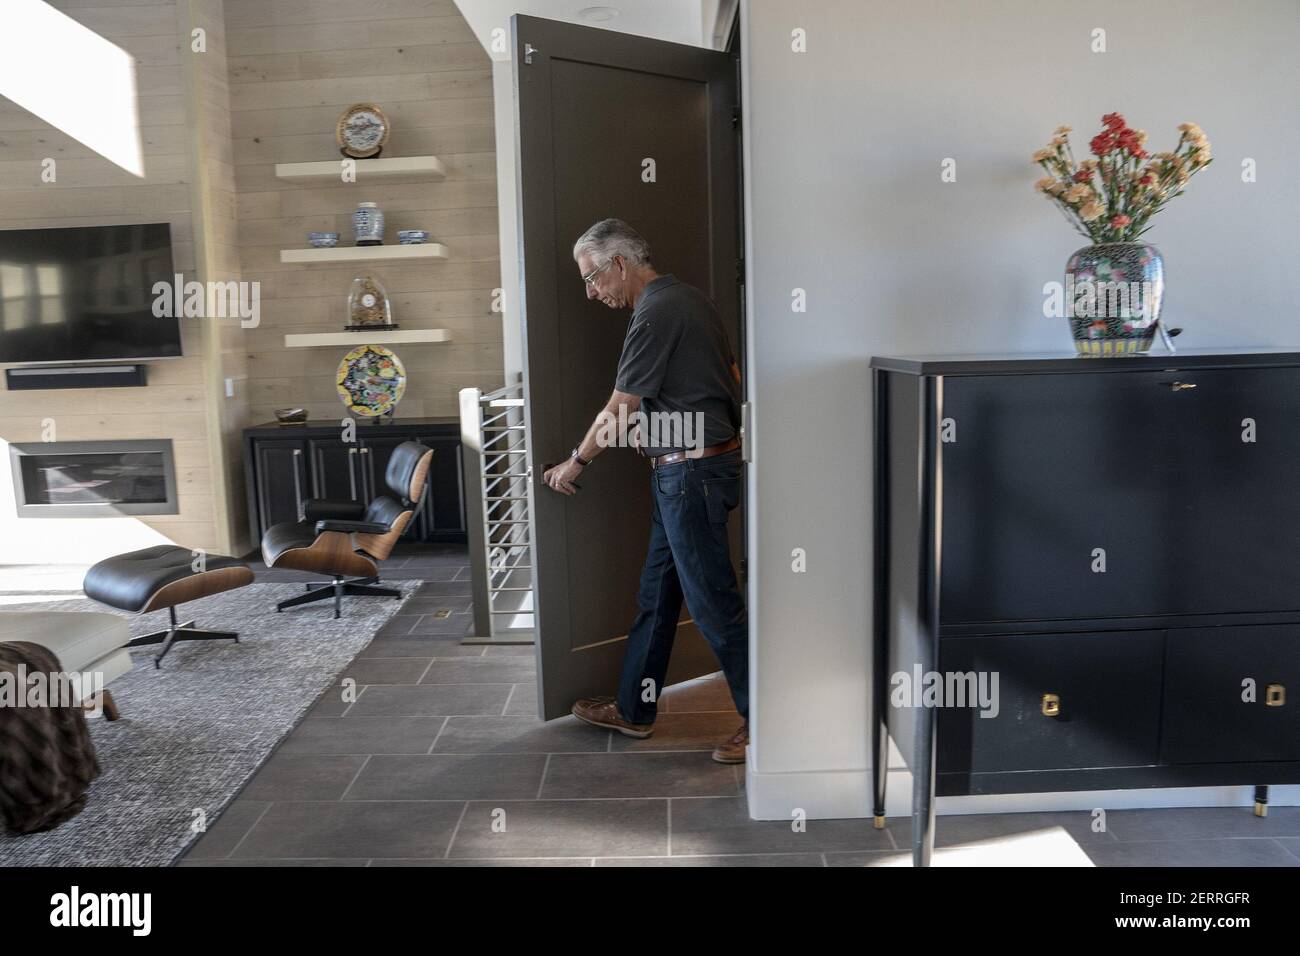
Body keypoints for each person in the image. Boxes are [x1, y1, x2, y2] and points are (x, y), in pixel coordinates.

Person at [542, 218, 749, 764]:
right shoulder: (690, 300)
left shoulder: (656, 312)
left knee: (714, 605)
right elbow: (717, 384)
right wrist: (660, 431)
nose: (592, 293)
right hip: (687, 472)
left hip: (691, 478)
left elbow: (620, 407)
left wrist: (575, 463)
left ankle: (768, 723)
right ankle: (635, 709)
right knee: (657, 598)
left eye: (592, 278)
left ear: (619, 264)